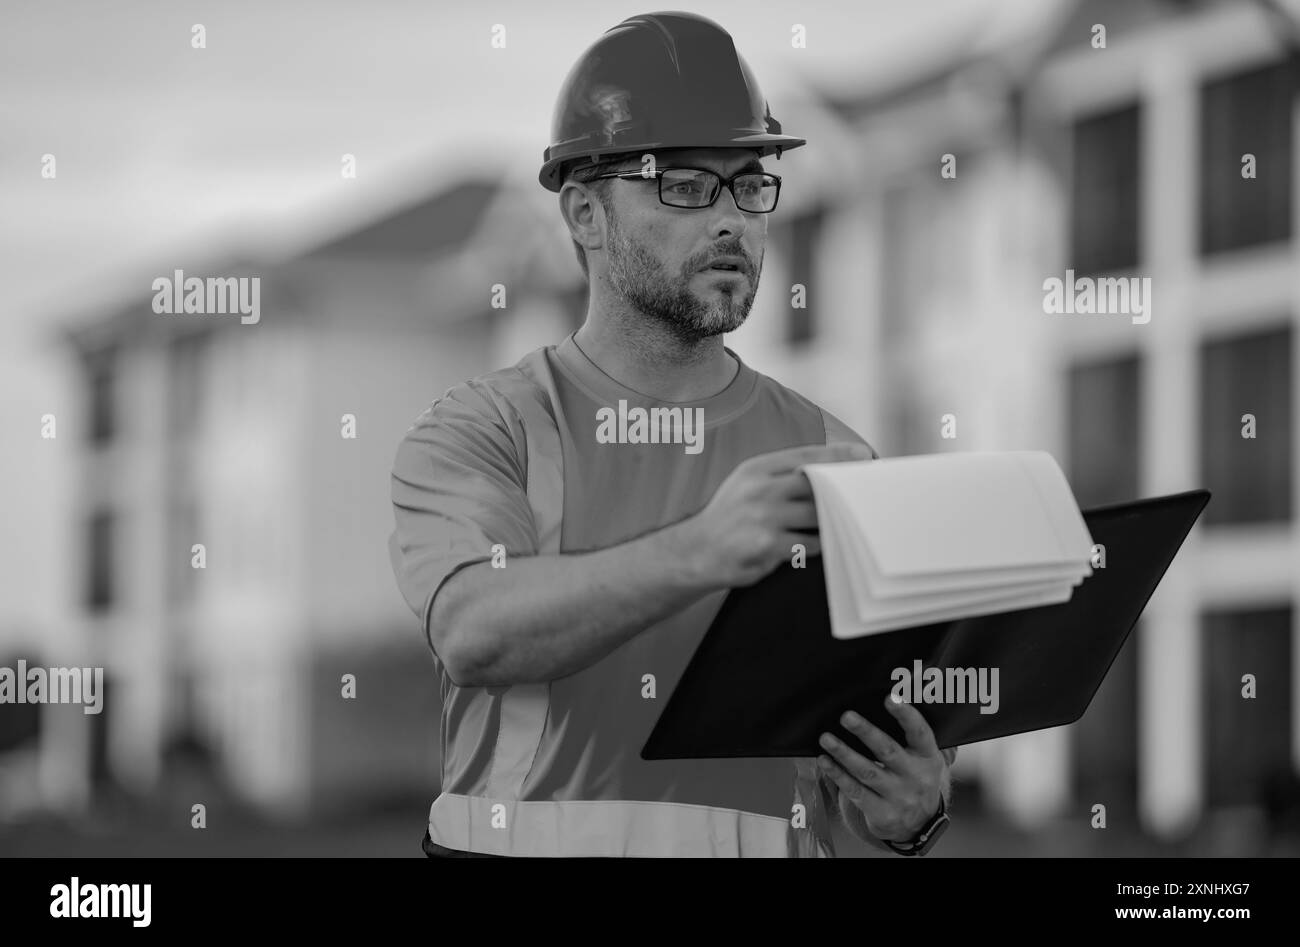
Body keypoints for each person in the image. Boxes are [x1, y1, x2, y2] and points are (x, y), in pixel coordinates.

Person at [389, 10, 954, 858]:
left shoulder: (832, 453)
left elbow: (844, 789)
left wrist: (908, 817)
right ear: (584, 212)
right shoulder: (481, 431)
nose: (731, 220)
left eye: (750, 183)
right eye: (686, 185)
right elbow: (474, 630)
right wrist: (703, 550)